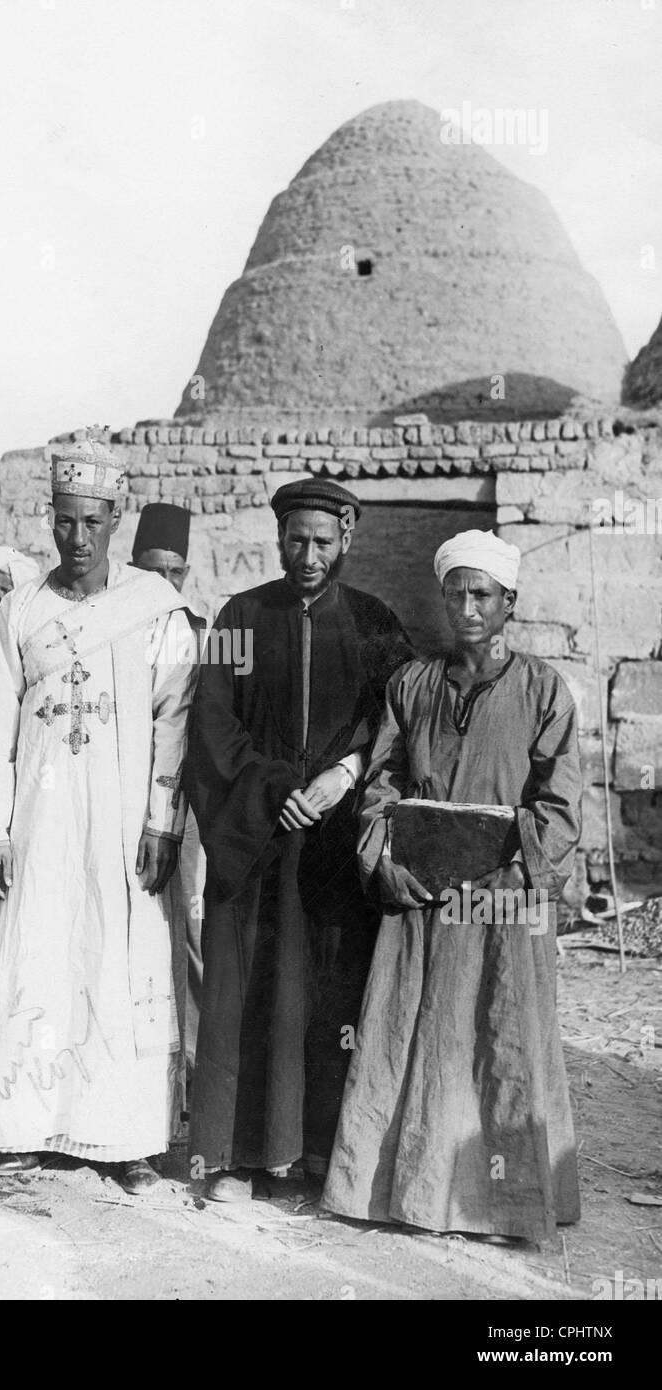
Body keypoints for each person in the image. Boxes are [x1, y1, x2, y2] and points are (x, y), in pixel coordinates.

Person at [322, 529, 582, 1244]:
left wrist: (502, 863)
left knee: (499, 1040)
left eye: (482, 595)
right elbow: (381, 783)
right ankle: (406, 1190)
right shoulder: (411, 685)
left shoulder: (542, 690)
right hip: (423, 896)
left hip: (502, 899)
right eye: (455, 593)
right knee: (421, 1039)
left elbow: (559, 806)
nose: (467, 607)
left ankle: (502, 1203)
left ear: (508, 604)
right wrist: (390, 856)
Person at [0, 438, 196, 1194]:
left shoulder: (154, 607)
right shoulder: (18, 609)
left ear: (115, 516)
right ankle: (22, 1127)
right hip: (39, 821)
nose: (78, 538)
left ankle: (124, 1137)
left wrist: (162, 822)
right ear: (50, 518)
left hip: (125, 820)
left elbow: (175, 720)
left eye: (92, 520)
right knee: (39, 952)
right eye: (65, 521)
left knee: (118, 956)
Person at [184, 477, 414, 1202]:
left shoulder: (377, 623)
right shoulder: (240, 615)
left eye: (321, 541)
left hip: (333, 846)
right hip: (258, 834)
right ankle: (234, 1157)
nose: (307, 556)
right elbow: (212, 722)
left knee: (325, 996)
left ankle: (314, 1160)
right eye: (294, 540)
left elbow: (394, 721)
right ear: (277, 537)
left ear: (346, 538)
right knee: (246, 991)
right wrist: (276, 787)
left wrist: (346, 773)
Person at [131, 503, 206, 1079]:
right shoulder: (110, 625)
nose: (163, 583)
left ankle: (195, 1078)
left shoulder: (202, 633)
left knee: (190, 931)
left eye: (174, 572)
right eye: (152, 570)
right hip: (117, 799)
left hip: (185, 807)